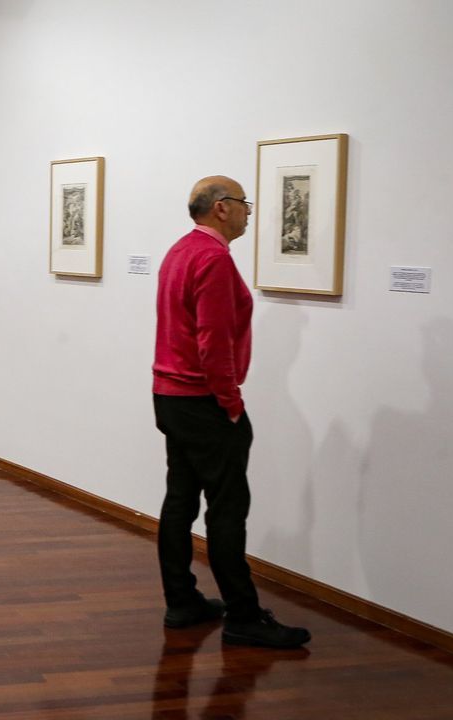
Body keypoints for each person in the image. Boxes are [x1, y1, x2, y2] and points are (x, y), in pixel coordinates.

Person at [152, 175, 311, 648]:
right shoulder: (213, 258)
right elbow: (213, 342)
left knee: (180, 499)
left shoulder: (180, 250)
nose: (248, 212)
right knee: (227, 510)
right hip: (203, 400)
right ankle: (243, 614)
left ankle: (182, 601)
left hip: (170, 395)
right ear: (221, 208)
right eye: (244, 203)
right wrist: (231, 403)